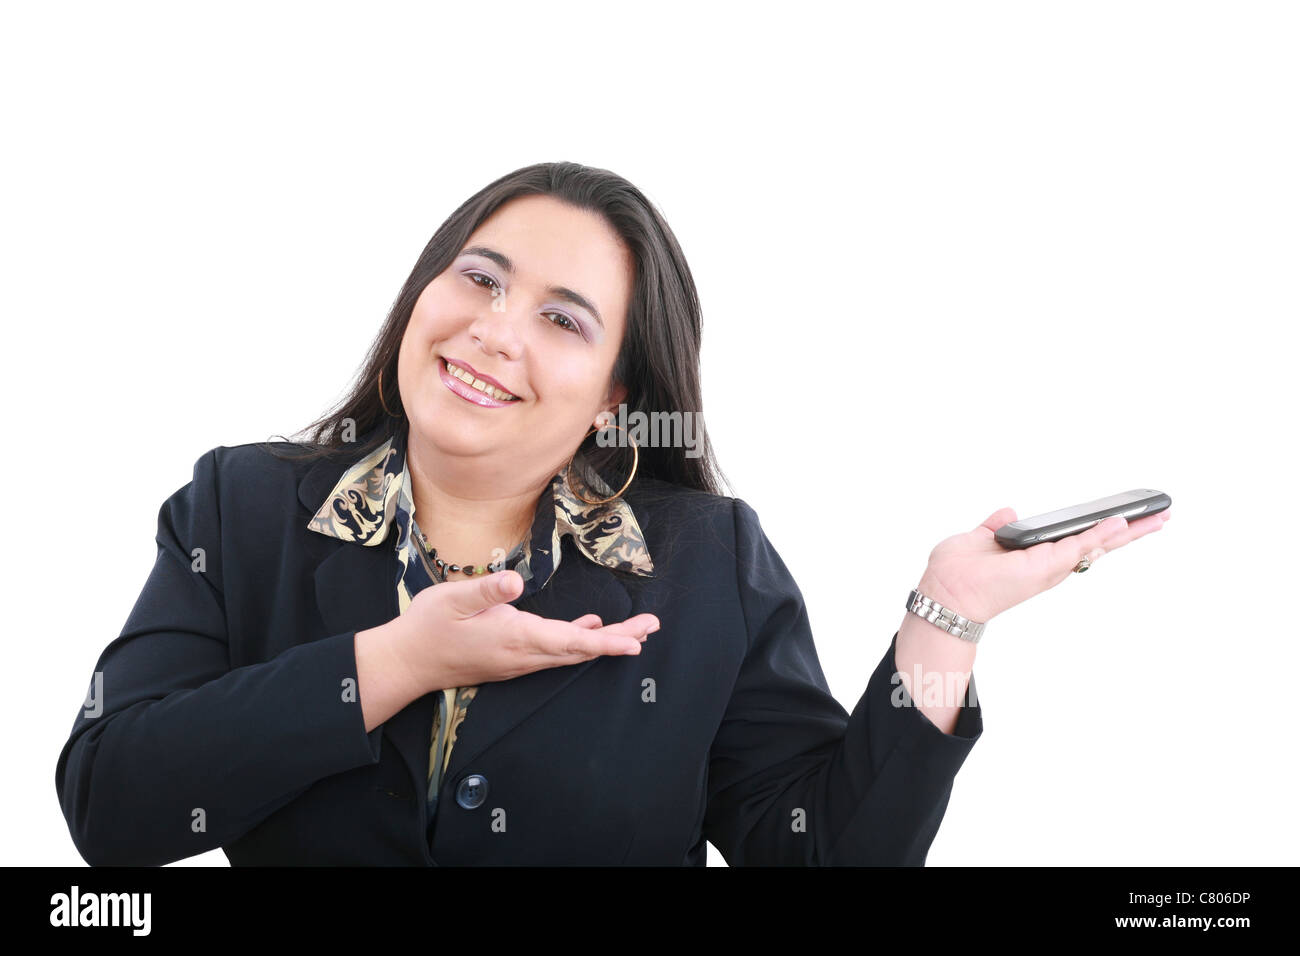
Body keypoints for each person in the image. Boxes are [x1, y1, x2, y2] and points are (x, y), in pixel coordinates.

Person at [54, 162, 1171, 866]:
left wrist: (946, 624)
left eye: (563, 319)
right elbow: (114, 812)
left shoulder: (707, 561)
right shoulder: (238, 508)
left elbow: (824, 850)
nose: (495, 331)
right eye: (478, 279)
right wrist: (389, 662)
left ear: (616, 398)